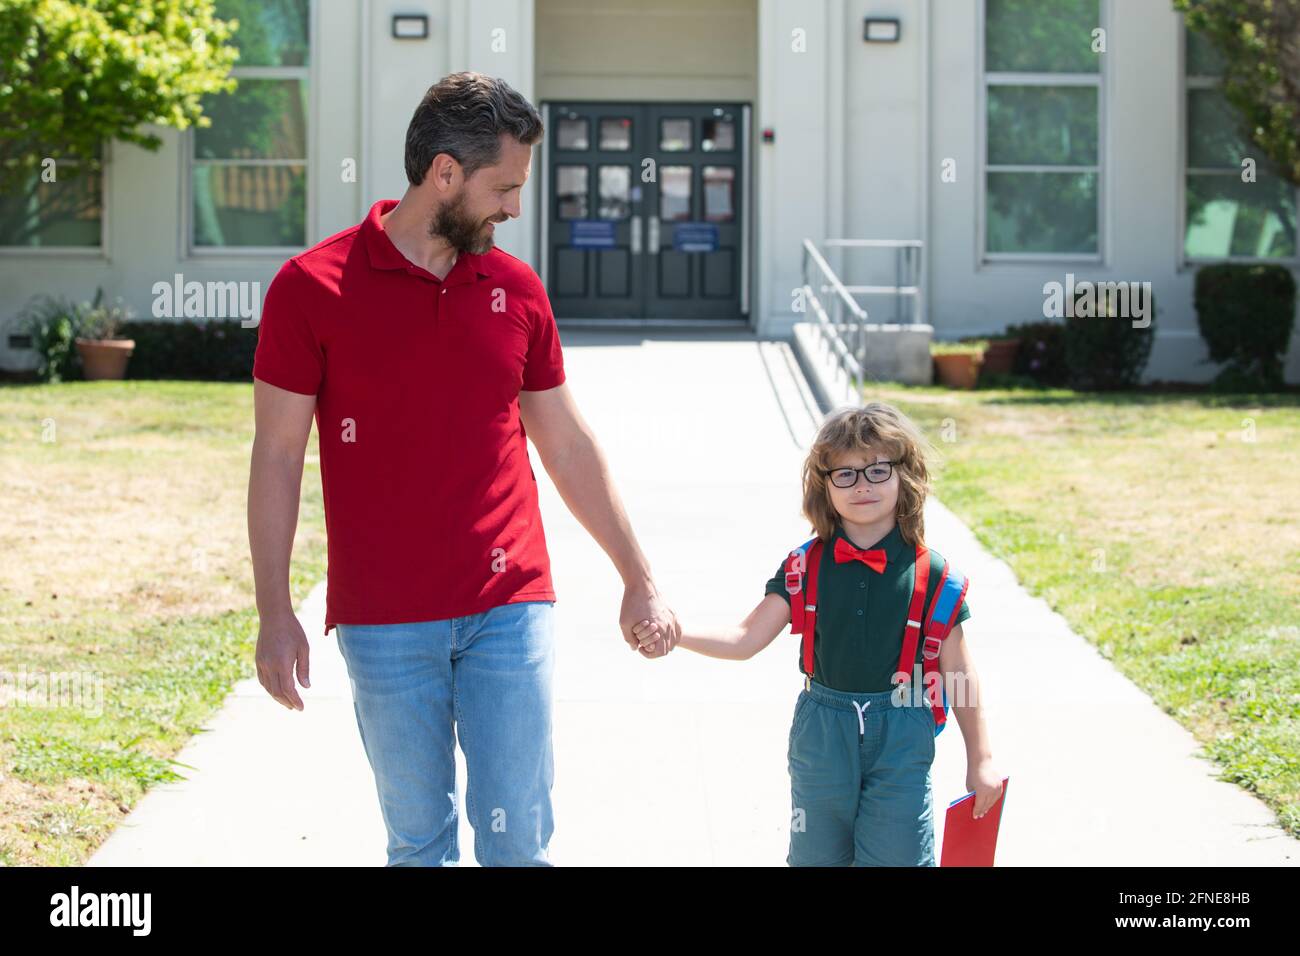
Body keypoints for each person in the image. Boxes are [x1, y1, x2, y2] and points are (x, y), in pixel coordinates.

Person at [247, 71, 681, 866]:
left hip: (508, 605)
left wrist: (637, 574)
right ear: (444, 172)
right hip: (383, 619)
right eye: (504, 187)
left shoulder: (516, 288)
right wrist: (275, 612)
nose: (515, 207)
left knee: (520, 841)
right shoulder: (311, 288)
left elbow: (567, 443)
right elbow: (276, 457)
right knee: (419, 845)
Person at [633, 402, 1002, 865]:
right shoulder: (803, 567)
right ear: (824, 487)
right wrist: (678, 631)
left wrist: (980, 758)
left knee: (899, 855)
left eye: (876, 469)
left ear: (903, 475)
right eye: (844, 474)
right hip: (823, 731)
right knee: (816, 855)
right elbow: (746, 638)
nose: (861, 485)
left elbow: (959, 673)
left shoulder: (935, 575)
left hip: (904, 727)